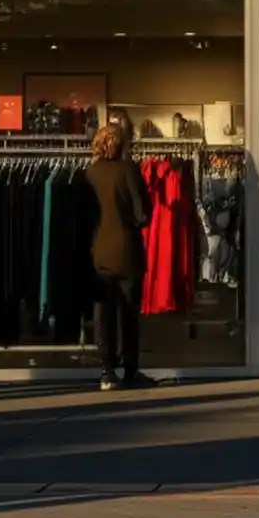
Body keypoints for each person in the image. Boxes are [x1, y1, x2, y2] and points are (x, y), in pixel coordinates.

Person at [86, 123, 155, 391]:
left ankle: (106, 371)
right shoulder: (128, 168)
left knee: (103, 313)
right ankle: (130, 370)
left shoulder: (89, 172)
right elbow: (142, 213)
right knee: (128, 312)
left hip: (99, 251)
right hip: (126, 249)